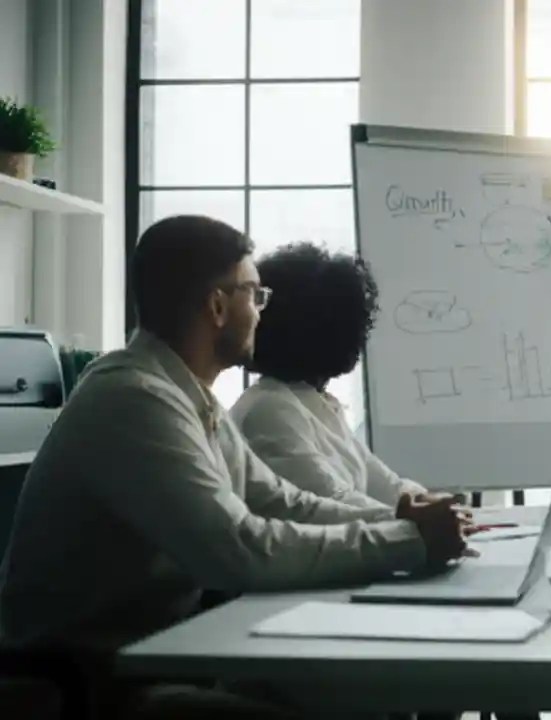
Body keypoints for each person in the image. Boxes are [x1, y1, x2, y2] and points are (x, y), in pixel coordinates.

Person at [0, 215, 469, 715]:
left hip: (161, 658)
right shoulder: (133, 400)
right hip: (88, 685)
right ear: (218, 305)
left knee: (374, 694)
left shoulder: (185, 395)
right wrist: (407, 540)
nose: (263, 311)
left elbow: (279, 502)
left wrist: (403, 523)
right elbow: (238, 547)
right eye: (256, 293)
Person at [231, 242, 432, 509]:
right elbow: (331, 505)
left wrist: (429, 502)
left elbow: (386, 486)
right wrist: (422, 519)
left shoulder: (318, 402)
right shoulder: (269, 410)